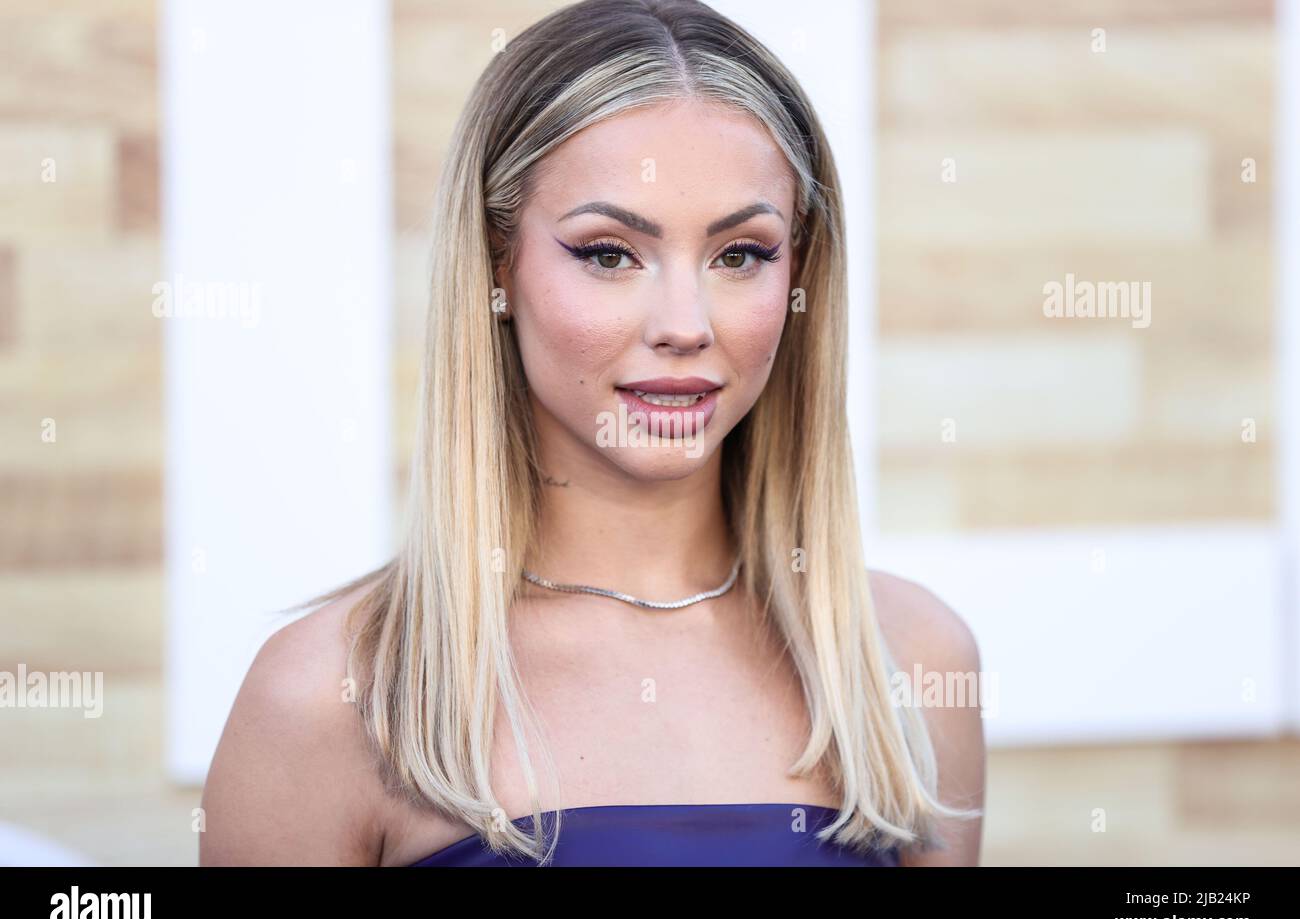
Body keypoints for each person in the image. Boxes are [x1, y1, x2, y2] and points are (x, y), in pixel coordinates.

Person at [200, 0, 985, 867]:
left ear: (800, 272)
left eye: (741, 255)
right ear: (498, 266)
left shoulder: (906, 661)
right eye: (610, 253)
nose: (684, 324)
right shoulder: (330, 699)